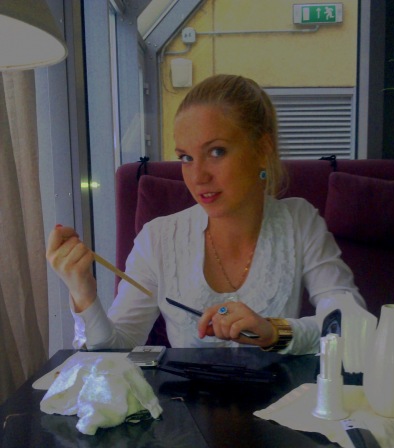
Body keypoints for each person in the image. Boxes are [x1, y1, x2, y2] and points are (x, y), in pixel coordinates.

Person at [46, 74, 365, 354]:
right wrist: (83, 294)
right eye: (186, 158)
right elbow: (117, 351)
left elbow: (351, 323)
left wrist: (274, 332)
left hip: (281, 401)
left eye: (216, 152)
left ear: (262, 149)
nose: (198, 177)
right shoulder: (158, 239)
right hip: (183, 404)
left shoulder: (299, 221)